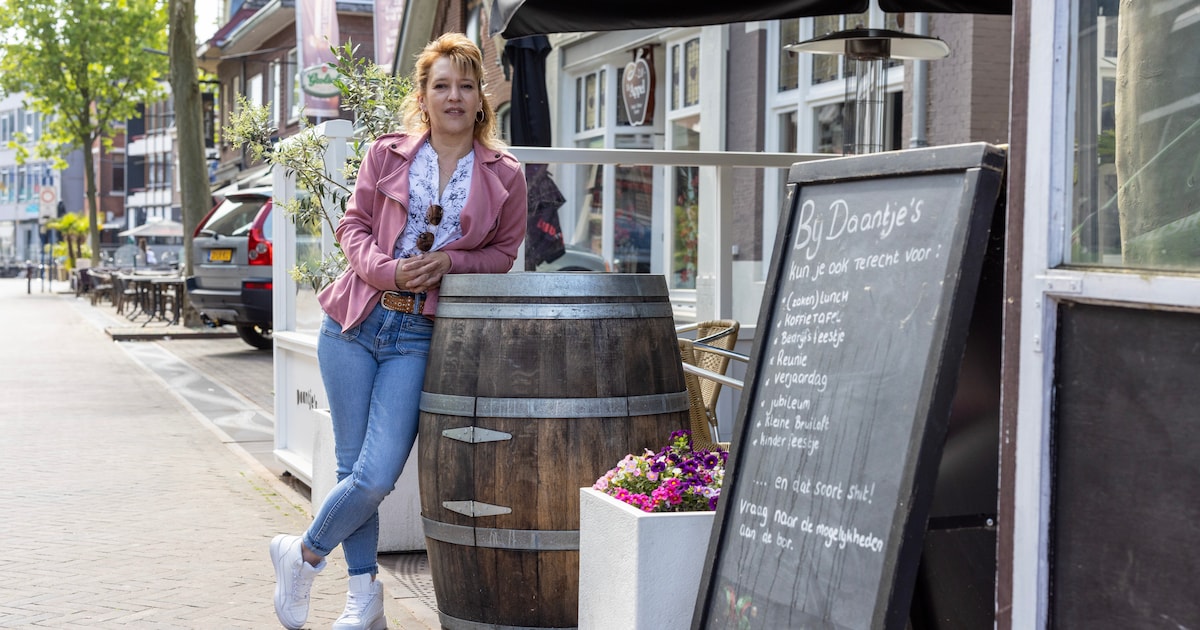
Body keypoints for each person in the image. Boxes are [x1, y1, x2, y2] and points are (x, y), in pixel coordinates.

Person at [268, 32, 527, 630]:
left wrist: (451, 262)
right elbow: (353, 226)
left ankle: (302, 555)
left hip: (417, 333)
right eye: (442, 86)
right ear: (425, 94)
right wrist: (384, 268)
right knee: (352, 466)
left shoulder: (505, 173)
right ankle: (364, 601)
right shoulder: (388, 154)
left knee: (376, 475)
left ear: (481, 98)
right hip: (354, 319)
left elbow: (504, 252)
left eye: (466, 85)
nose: (454, 96)